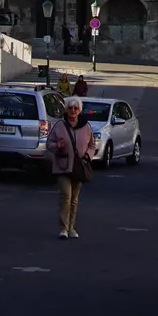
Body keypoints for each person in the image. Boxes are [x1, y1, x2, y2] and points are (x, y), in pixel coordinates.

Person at [48, 96, 96, 238]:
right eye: (70, 108)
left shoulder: (86, 126)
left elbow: (92, 145)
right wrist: (57, 146)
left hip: (79, 167)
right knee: (66, 196)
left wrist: (88, 156)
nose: (73, 111)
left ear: (79, 110)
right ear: (66, 109)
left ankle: (71, 228)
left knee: (74, 199)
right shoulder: (59, 125)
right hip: (62, 166)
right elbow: (49, 143)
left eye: (76, 108)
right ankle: (63, 228)